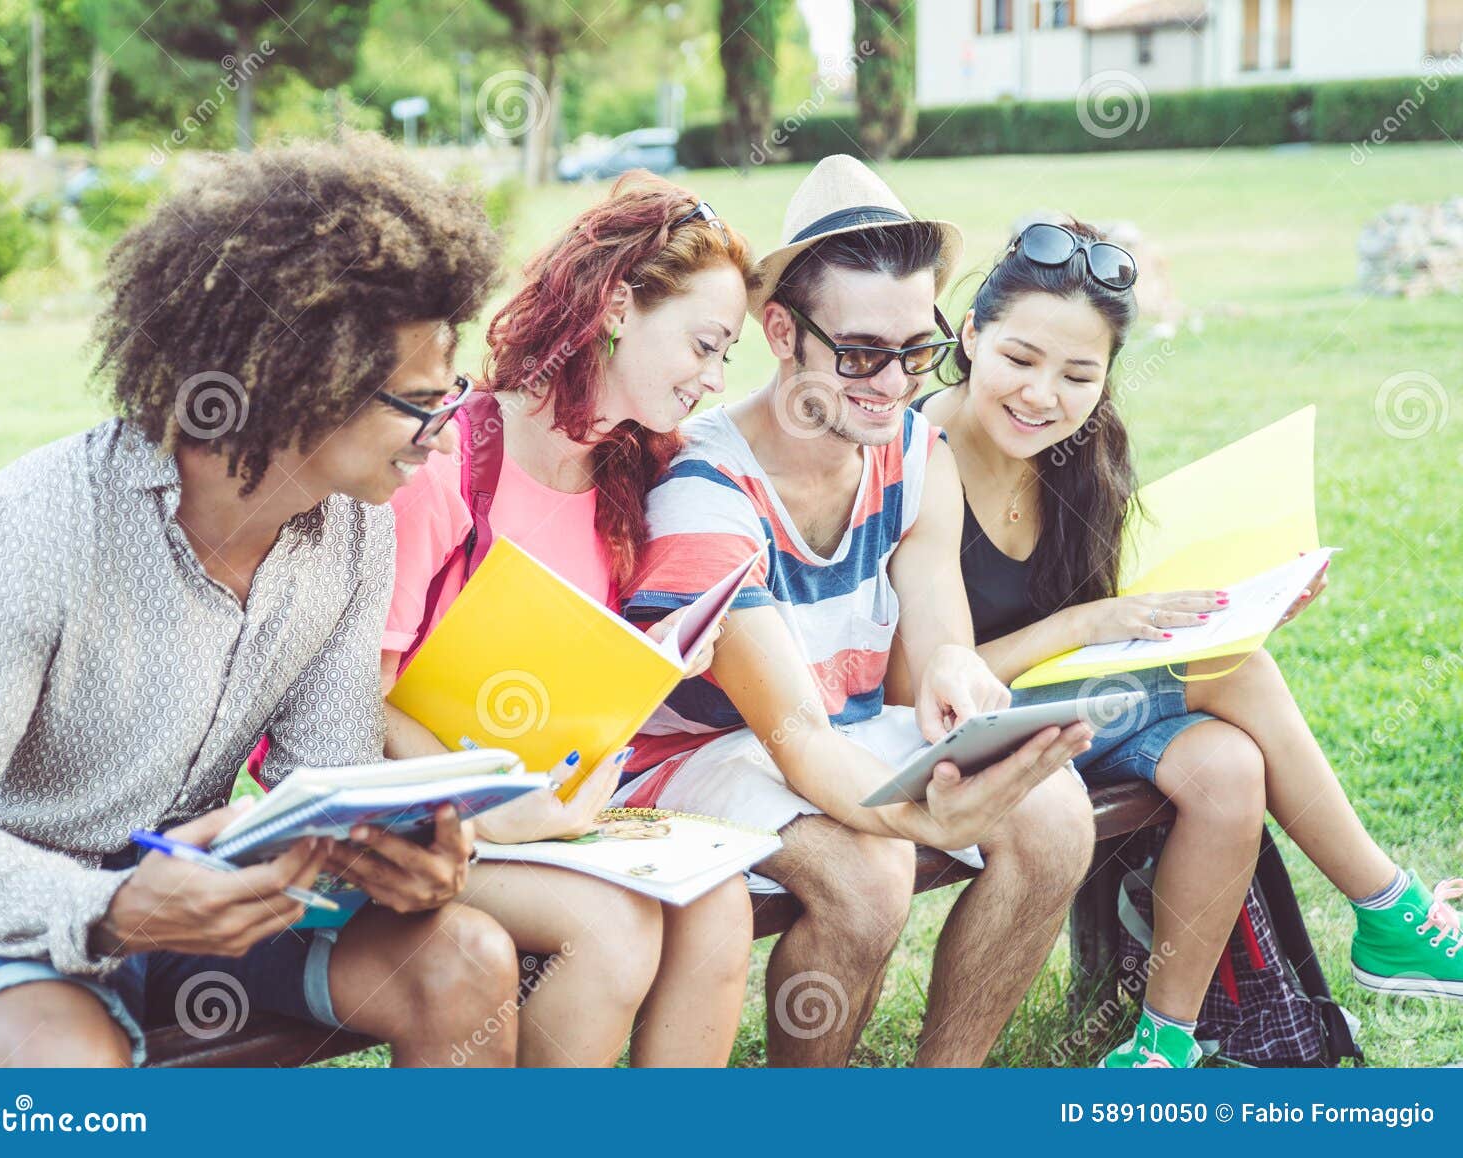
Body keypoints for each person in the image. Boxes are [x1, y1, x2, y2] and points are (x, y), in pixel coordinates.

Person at [0, 136, 521, 1069]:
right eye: (418, 406)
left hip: (201, 896)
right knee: (65, 1064)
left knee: (465, 961)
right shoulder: (37, 523)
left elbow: (323, 781)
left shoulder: (356, 530)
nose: (440, 441)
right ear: (298, 382)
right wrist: (112, 908)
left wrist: (396, 861)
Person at [916, 214, 1463, 1069]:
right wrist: (1084, 626)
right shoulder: (921, 456)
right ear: (971, 334)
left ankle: (1161, 1044)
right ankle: (1389, 910)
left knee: (1228, 767)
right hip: (956, 730)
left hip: (1071, 715)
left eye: (1078, 374)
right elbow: (923, 677)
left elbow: (1129, 604)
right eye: (1019, 359)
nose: (1040, 394)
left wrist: (1250, 598)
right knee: (1228, 668)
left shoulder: (1077, 453)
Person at [611, 156, 1097, 1067]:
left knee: (1058, 815)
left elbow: (939, 629)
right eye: (863, 354)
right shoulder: (703, 486)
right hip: (693, 756)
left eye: (919, 351)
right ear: (782, 331)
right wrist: (920, 823)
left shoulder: (917, 446)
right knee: (870, 880)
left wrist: (955, 668)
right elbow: (792, 736)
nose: (894, 382)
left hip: (843, 726)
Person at [380, 175, 760, 1067]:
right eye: (704, 345)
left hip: (554, 806)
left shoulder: (626, 481)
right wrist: (497, 807)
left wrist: (659, 659)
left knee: (720, 901)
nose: (713, 379)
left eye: (726, 358)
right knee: (613, 931)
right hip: (420, 812)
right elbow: (359, 695)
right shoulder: (451, 462)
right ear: (619, 305)